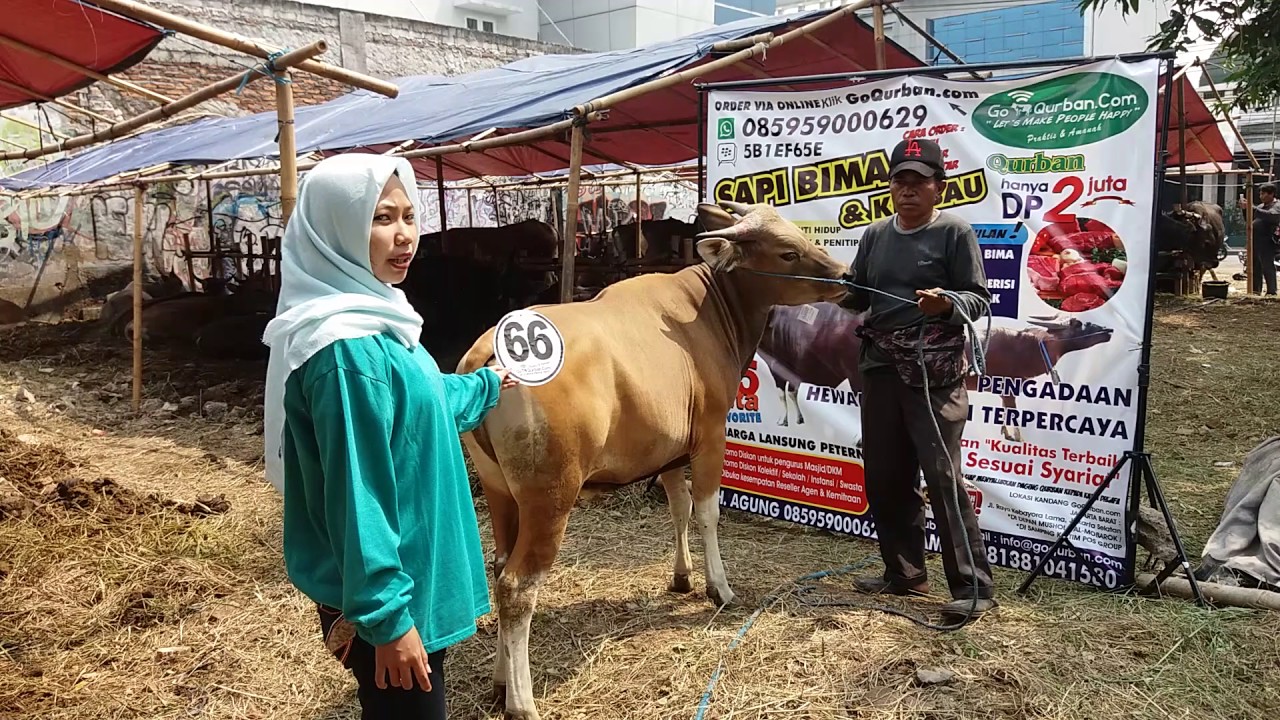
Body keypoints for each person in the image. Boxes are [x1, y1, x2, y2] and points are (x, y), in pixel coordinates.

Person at [262, 154, 519, 719]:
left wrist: (486, 384)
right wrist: (387, 620)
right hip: (391, 599)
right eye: (381, 218)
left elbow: (422, 403)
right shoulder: (345, 354)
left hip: (413, 576)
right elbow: (358, 497)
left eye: (409, 216)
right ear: (336, 228)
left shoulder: (378, 318)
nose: (405, 236)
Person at [842, 137, 997, 624]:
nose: (908, 190)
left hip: (934, 373)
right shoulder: (874, 235)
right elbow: (857, 295)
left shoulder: (954, 233)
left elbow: (978, 300)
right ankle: (904, 573)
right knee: (885, 475)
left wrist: (946, 304)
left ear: (939, 188)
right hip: (880, 366)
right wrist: (828, 284)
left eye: (919, 182)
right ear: (890, 187)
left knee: (942, 476)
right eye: (900, 181)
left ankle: (973, 588)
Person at [1239, 183, 1279, 296]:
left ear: (1271, 194)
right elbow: (1249, 219)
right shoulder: (1261, 206)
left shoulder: (1277, 205)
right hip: (1255, 240)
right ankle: (1256, 290)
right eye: (1260, 194)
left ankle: (1271, 291)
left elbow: (1272, 216)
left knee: (1267, 266)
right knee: (1255, 266)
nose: (1261, 196)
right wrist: (1245, 209)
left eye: (1263, 194)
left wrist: (1252, 207)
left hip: (1268, 241)